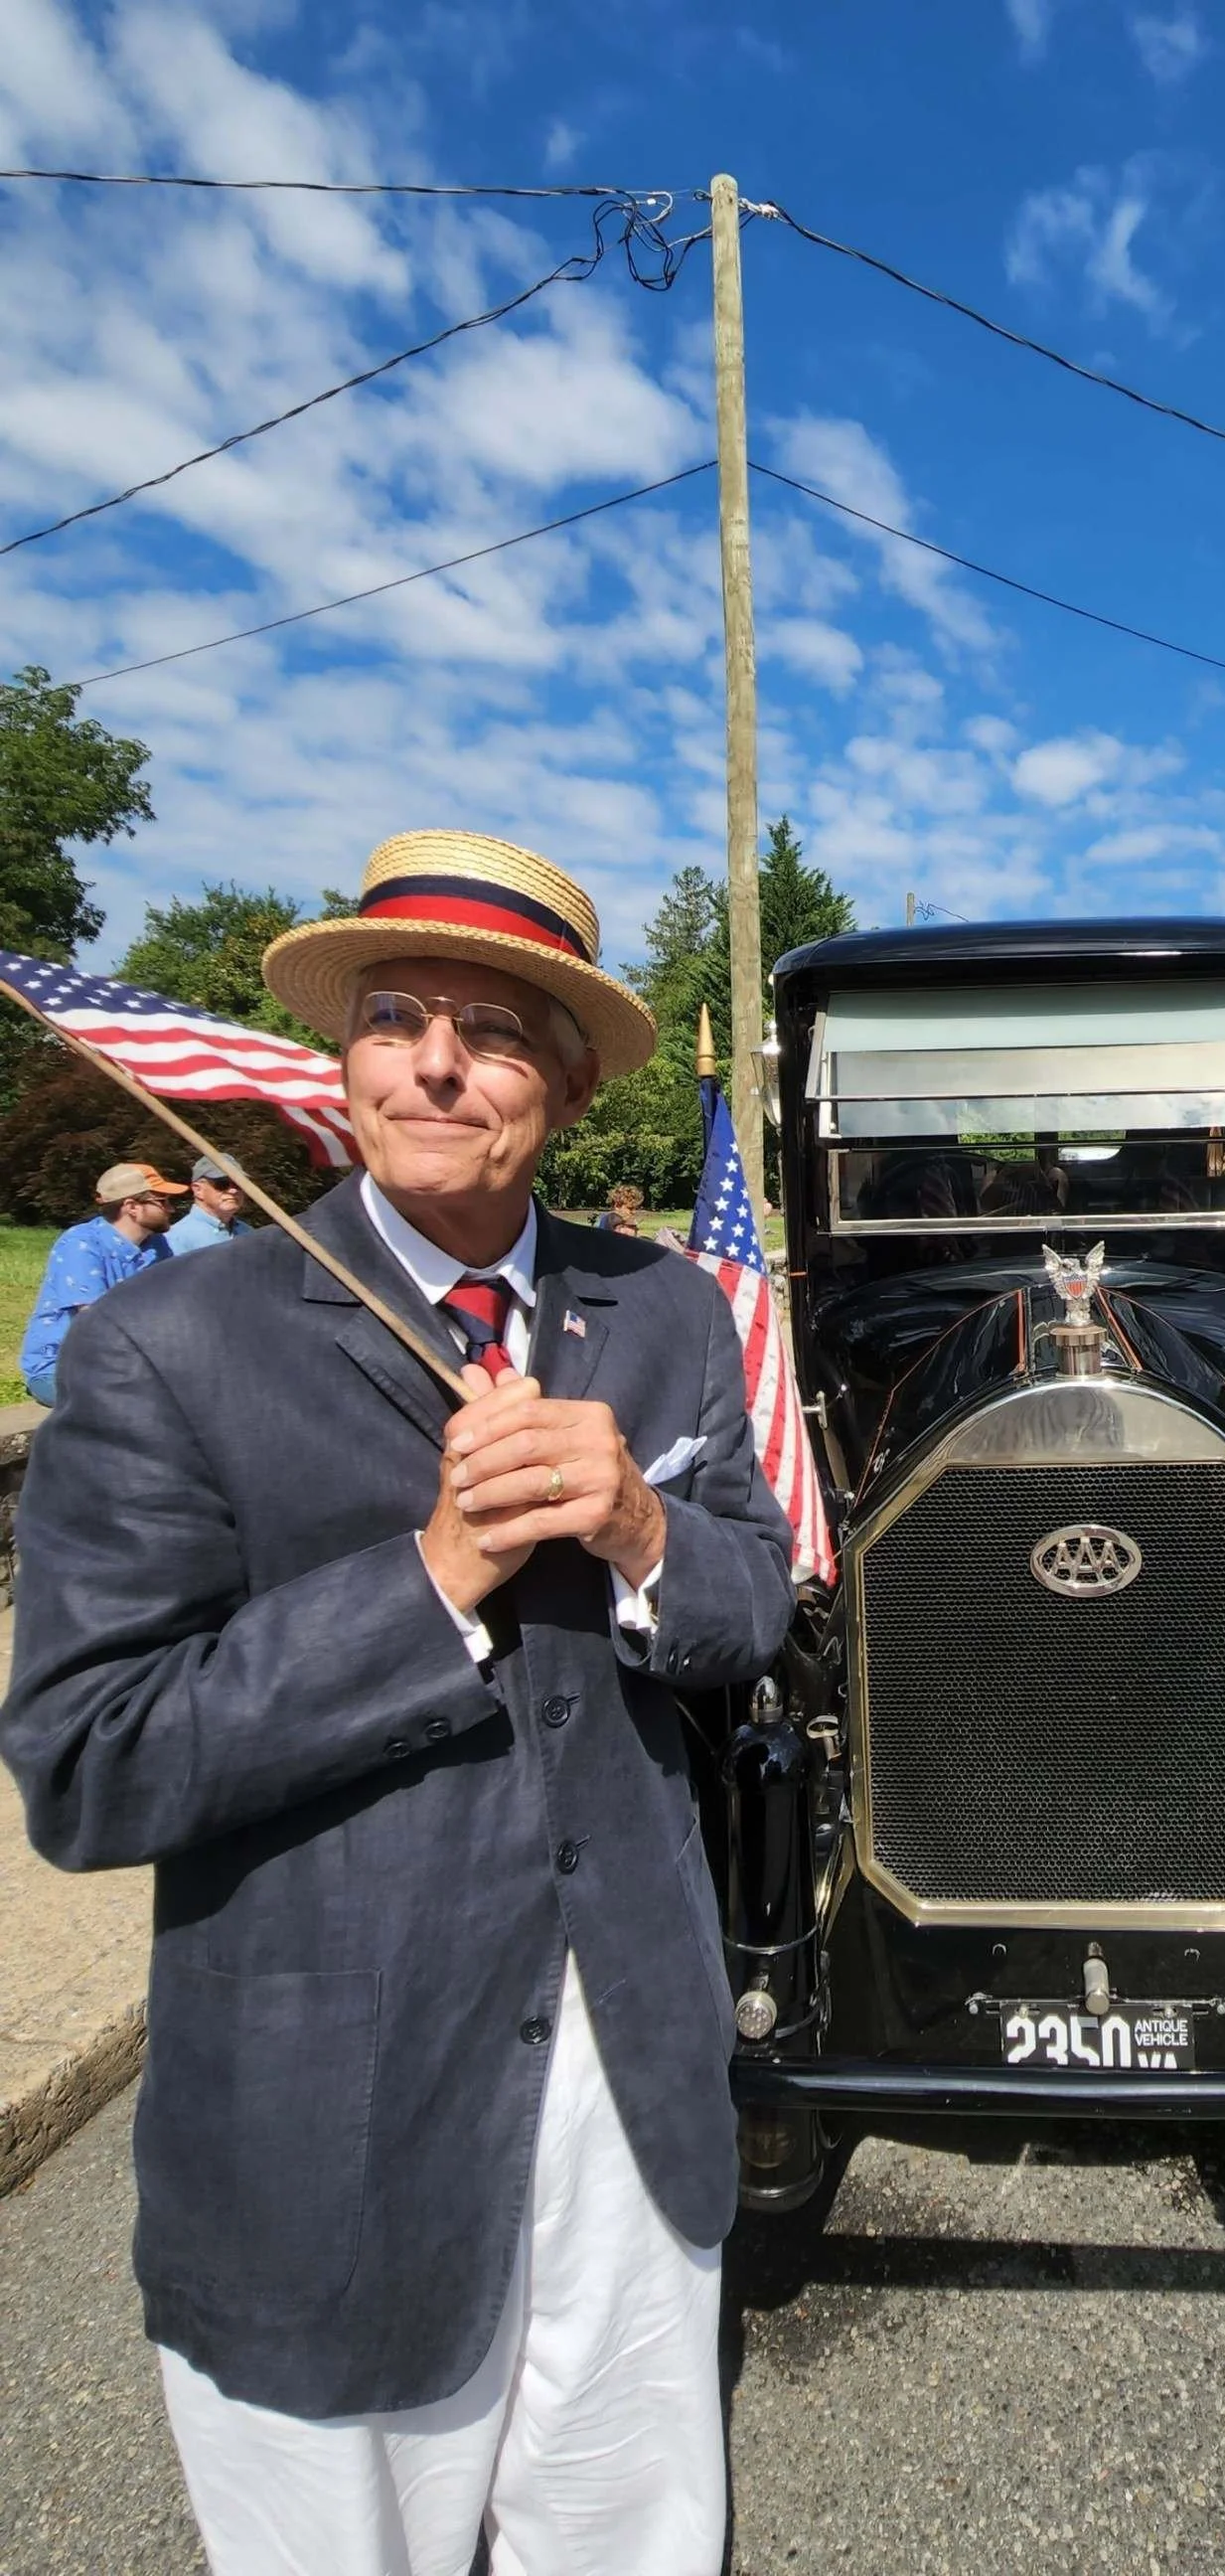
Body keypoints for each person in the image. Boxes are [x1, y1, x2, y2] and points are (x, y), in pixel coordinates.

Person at [0, 829, 798, 2576]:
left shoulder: (661, 1308)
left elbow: (753, 1611)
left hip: (632, 2085)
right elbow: (87, 1761)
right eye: (396, 1014)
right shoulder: (169, 1347)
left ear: (566, 1086)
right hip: (330, 2108)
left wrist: (644, 1524)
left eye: (497, 1030)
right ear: (344, 1057)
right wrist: (433, 1574)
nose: (438, 1060)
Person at [17, 1160, 183, 1405]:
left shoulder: (156, 1246)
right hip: (62, 1367)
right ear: (132, 1206)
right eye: (162, 1201)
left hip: (130, 1366)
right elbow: (95, 1323)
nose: (171, 1209)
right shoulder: (81, 1244)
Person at [166, 1154, 252, 1255]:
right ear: (198, 1190)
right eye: (222, 1184)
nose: (233, 1190)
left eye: (239, 1184)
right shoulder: (176, 1238)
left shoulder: (248, 1232)